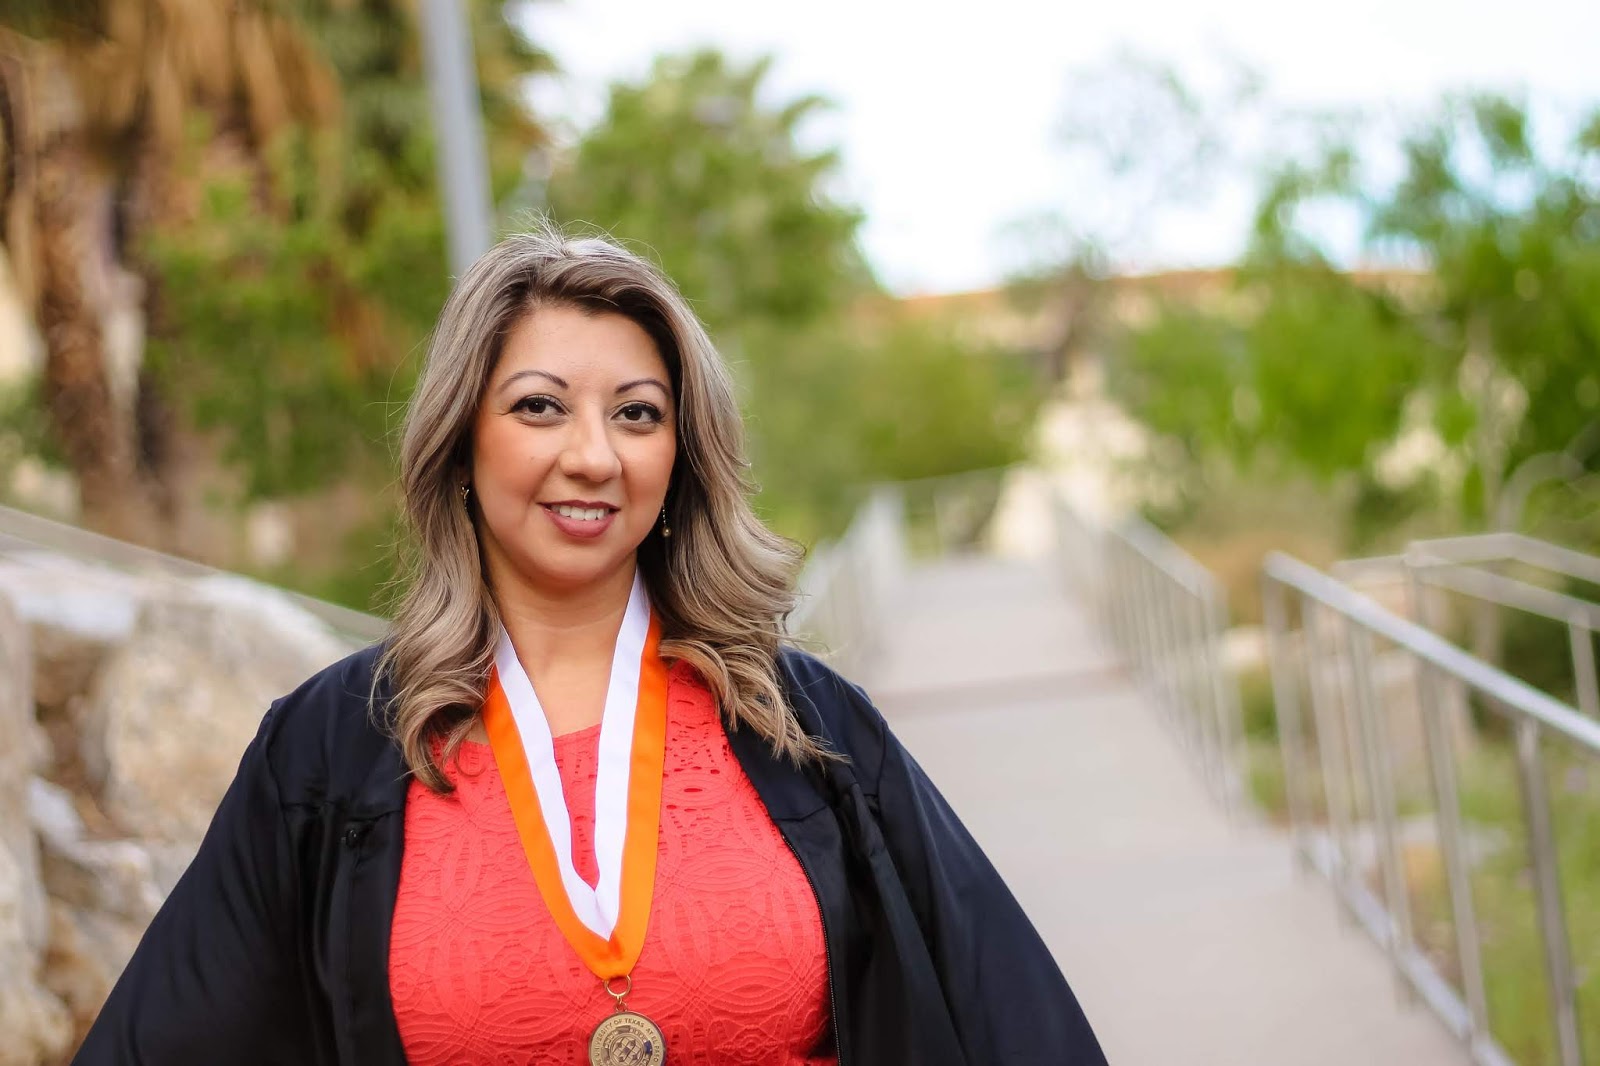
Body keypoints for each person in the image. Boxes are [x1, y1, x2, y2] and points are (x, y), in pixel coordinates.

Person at [73, 224, 1106, 1066]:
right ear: (462, 444)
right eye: (538, 407)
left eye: (638, 414)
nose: (593, 455)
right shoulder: (333, 752)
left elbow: (1005, 1015)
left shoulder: (803, 727)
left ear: (680, 460)